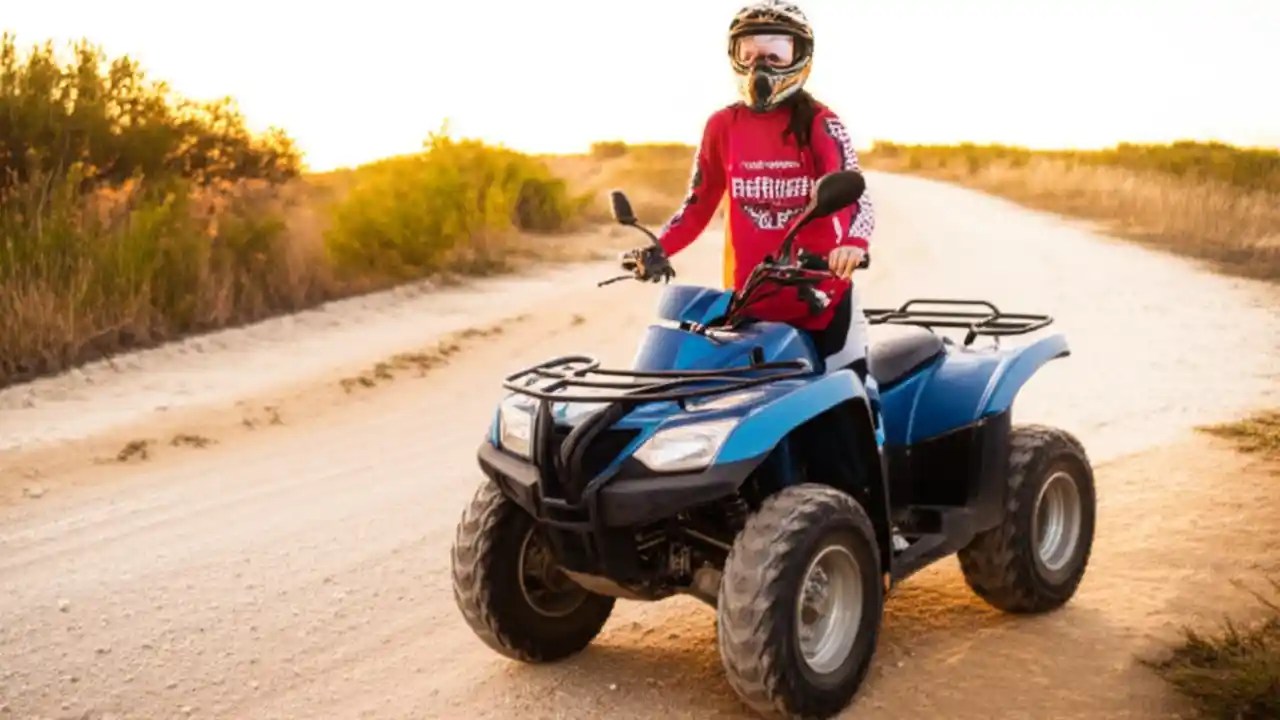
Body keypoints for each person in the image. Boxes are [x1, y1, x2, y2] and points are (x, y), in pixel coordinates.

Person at [622, 0, 877, 389]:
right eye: (750, 53)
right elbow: (697, 204)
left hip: (820, 299)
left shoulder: (821, 122)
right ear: (735, 56)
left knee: (851, 395)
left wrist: (853, 244)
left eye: (775, 55)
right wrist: (659, 248)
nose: (761, 66)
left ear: (800, 58)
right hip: (748, 300)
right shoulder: (722, 125)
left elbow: (855, 193)